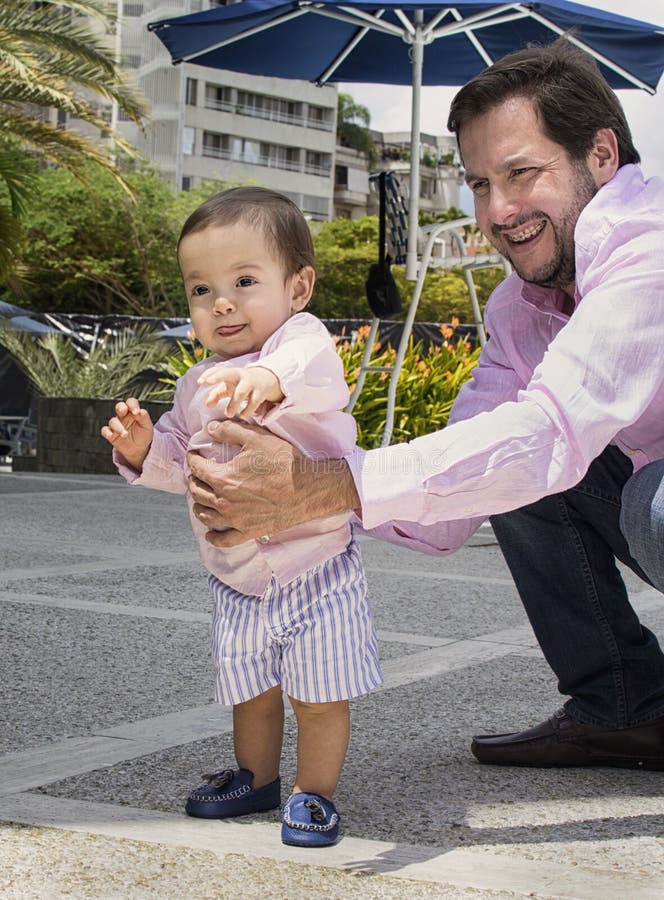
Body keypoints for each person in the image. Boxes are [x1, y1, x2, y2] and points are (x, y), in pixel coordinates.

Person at [184, 40, 664, 771]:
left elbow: (551, 432)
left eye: (521, 173)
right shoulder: (521, 308)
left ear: (601, 154)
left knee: (645, 502)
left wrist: (324, 485)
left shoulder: (647, 247)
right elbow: (459, 491)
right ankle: (624, 707)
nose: (497, 212)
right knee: (500, 467)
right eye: (479, 184)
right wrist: (298, 485)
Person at [101, 186, 383, 846]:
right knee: (250, 689)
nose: (222, 303)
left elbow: (310, 366)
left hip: (317, 568)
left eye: (244, 281)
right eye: (201, 290)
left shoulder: (303, 344)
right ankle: (256, 778)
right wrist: (144, 451)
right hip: (236, 575)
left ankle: (314, 795)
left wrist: (268, 378)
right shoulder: (195, 386)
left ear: (299, 286)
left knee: (318, 694)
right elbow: (182, 459)